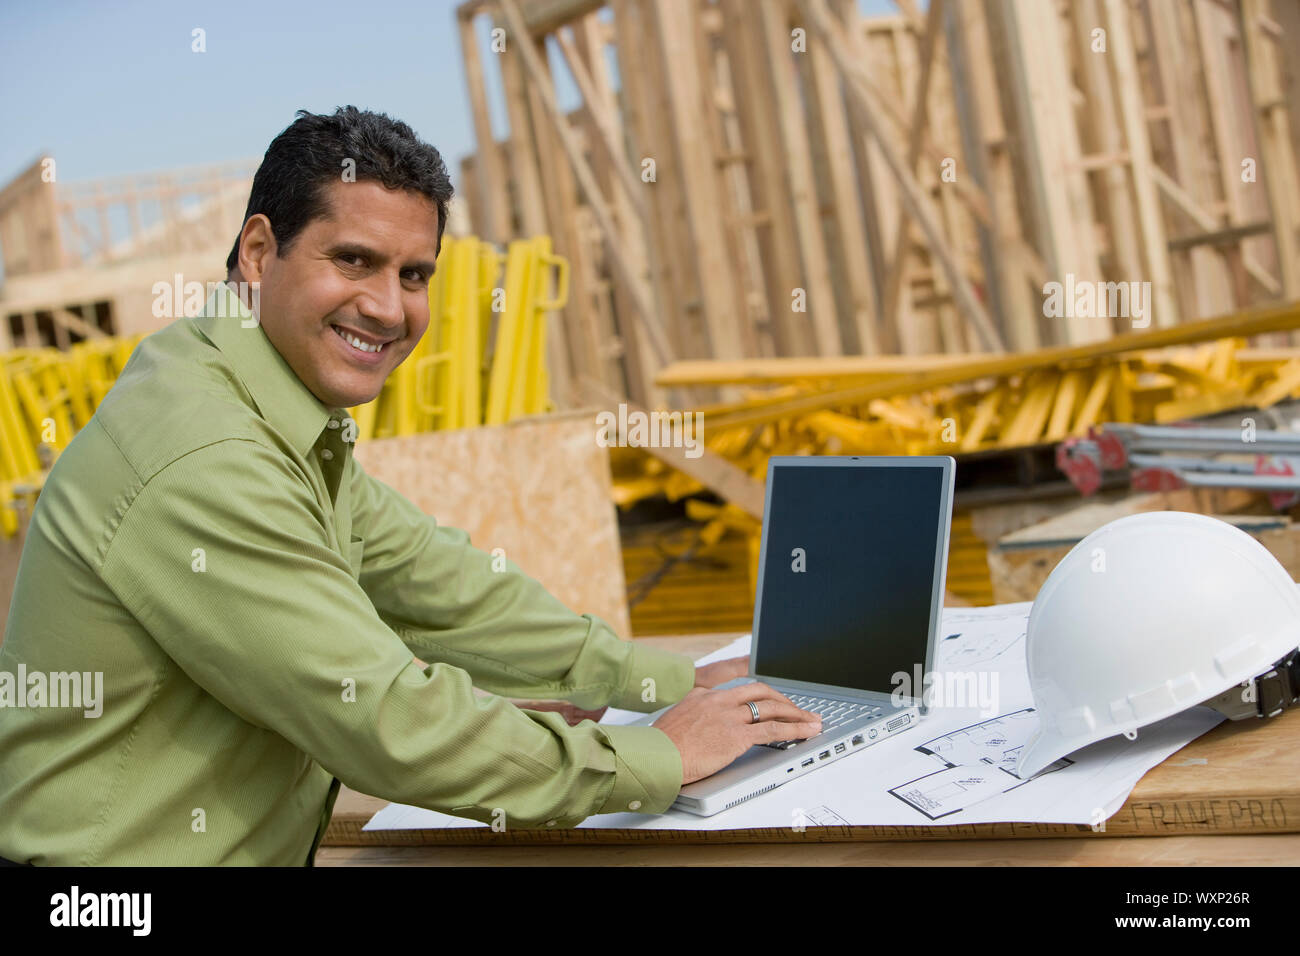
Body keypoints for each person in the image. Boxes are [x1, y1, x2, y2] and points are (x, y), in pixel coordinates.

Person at [0, 106, 820, 865]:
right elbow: (385, 722)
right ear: (259, 252)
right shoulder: (206, 457)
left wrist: (668, 684)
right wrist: (660, 754)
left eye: (414, 274)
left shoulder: (262, 408)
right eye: (353, 260)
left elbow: (441, 585)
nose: (388, 307)